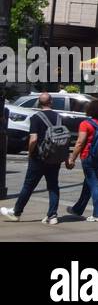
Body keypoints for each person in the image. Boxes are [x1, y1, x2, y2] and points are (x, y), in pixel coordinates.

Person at [0, 92, 63, 224]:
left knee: (28, 185)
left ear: (39, 103)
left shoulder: (36, 117)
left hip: (38, 157)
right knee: (53, 186)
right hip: (54, 157)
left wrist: (30, 152)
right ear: (51, 102)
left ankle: (16, 212)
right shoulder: (58, 117)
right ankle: (52, 216)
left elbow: (33, 139)